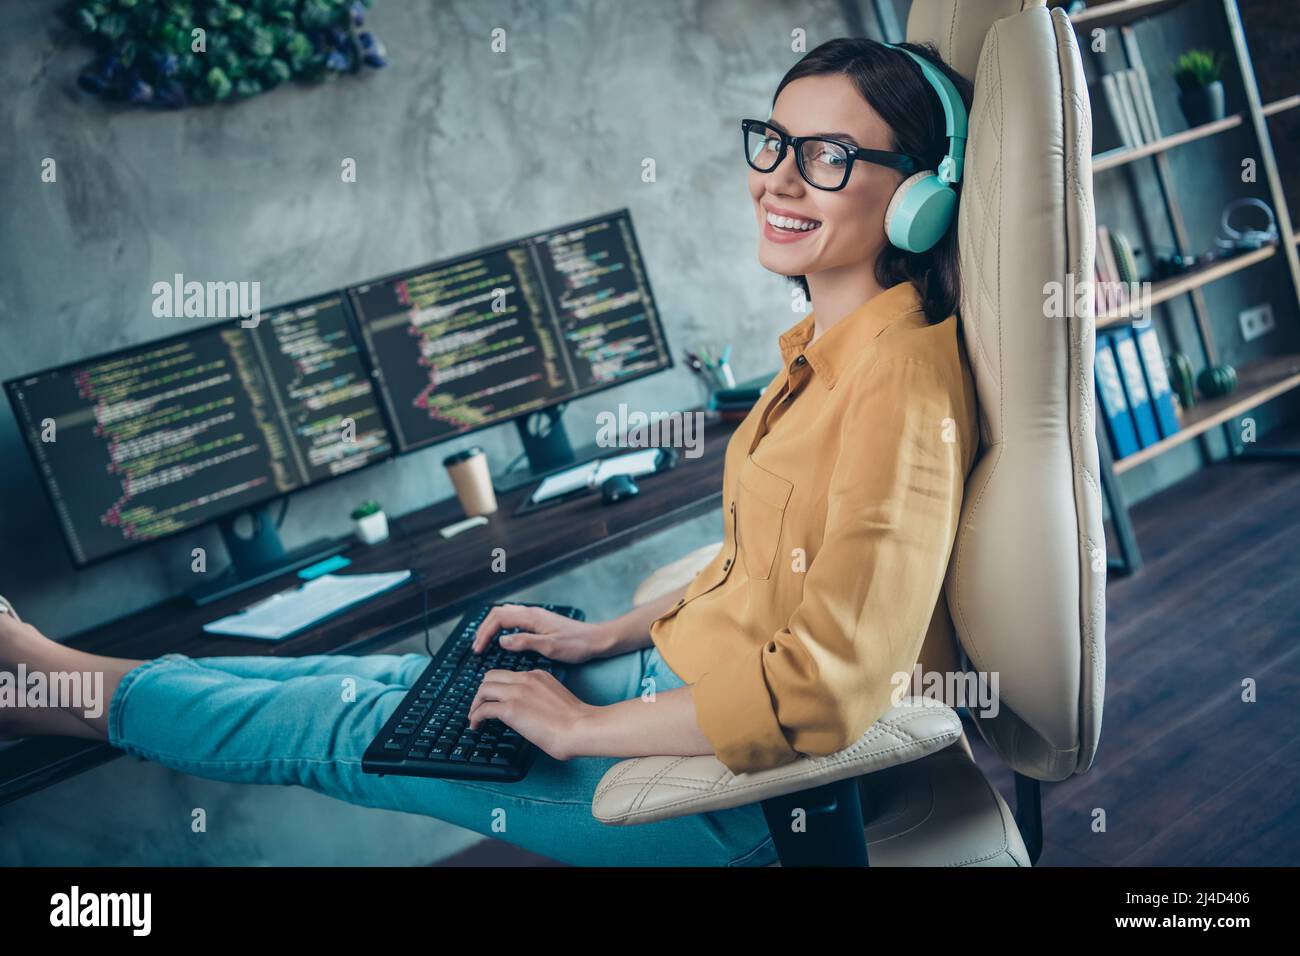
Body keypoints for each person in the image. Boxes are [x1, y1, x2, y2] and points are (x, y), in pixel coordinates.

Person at [0, 37, 977, 867]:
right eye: (772, 141)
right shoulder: (826, 356)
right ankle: (55, 680)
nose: (777, 177)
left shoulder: (897, 384)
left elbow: (824, 688)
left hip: (723, 792)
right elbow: (765, 570)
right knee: (382, 683)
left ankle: (49, 684)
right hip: (671, 694)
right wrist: (604, 637)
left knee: (341, 725)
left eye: (829, 154)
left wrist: (581, 724)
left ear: (918, 196)